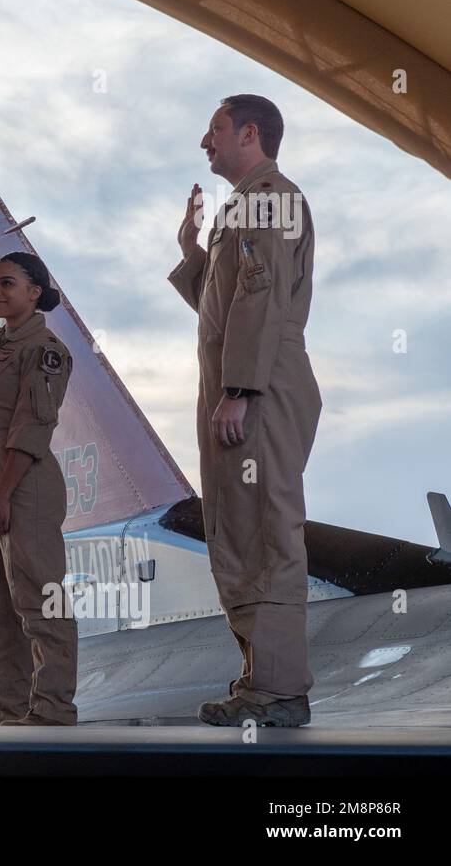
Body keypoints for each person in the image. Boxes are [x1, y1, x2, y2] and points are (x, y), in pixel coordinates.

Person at [169, 94, 321, 727]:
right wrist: (193, 252)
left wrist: (240, 391)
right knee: (238, 529)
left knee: (263, 531)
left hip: (258, 388)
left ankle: (280, 689)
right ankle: (264, 682)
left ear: (250, 133)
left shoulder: (268, 197)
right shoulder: (249, 205)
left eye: (217, 129)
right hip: (244, 382)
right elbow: (228, 303)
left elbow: (259, 302)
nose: (206, 141)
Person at [0, 252, 77, 725]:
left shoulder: (46, 350)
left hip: (25, 486)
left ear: (34, 293)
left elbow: (30, 429)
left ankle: (53, 709)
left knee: (40, 601)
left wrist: (4, 495)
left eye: (7, 284)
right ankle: (6, 710)